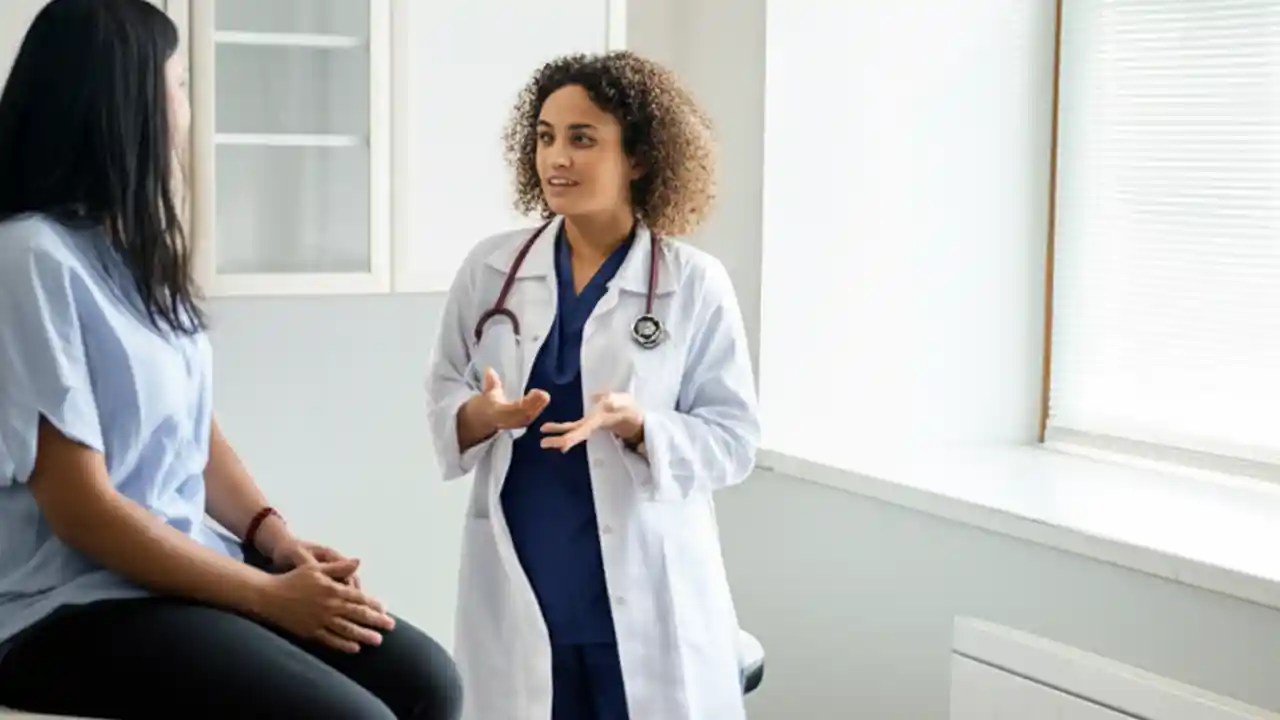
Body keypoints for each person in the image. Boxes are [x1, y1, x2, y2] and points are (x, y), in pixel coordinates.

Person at [0, 1, 462, 718]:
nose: (188, 106)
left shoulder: (125, 248)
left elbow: (195, 429)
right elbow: (81, 509)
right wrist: (271, 599)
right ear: (128, 105)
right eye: (179, 83)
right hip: (65, 603)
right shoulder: (28, 257)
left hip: (177, 571)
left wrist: (274, 541)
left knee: (428, 683)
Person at [426, 51, 759, 720]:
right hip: (527, 581)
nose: (558, 158)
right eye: (546, 136)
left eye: (583, 139)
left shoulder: (692, 283)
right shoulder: (491, 270)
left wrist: (643, 426)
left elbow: (734, 439)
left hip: (645, 586)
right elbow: (442, 395)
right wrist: (482, 415)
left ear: (636, 156)